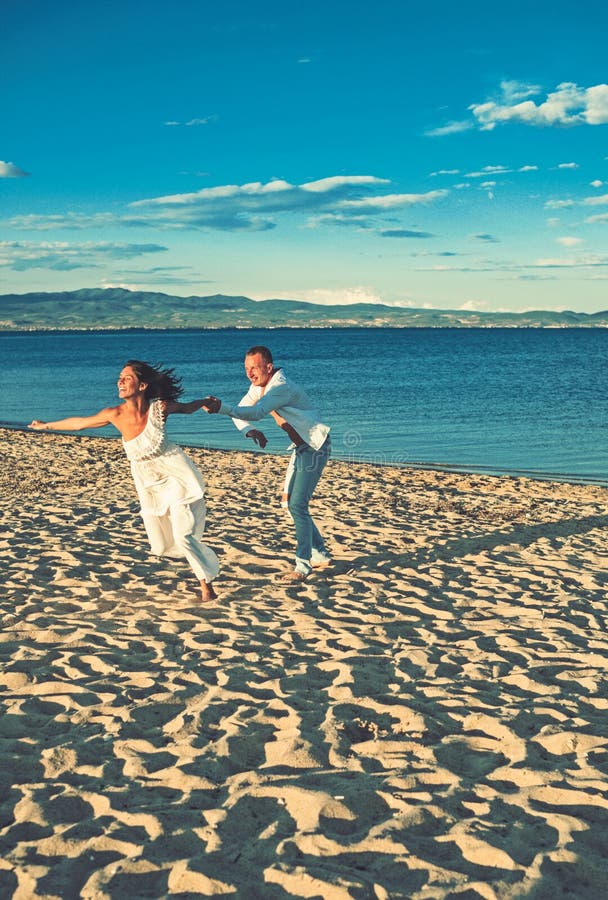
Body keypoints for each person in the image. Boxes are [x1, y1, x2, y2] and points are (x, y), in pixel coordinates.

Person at [29, 360, 220, 602]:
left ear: (142, 386)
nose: (120, 381)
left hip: (175, 476)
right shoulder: (115, 414)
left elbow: (187, 407)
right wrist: (46, 425)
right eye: (120, 377)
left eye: (127, 378)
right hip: (147, 483)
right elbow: (80, 423)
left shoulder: (159, 408)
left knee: (183, 535)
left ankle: (206, 586)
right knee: (161, 546)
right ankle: (202, 563)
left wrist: (205, 402)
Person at [202, 345, 331, 582]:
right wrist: (250, 432)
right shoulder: (257, 387)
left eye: (254, 368)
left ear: (268, 367)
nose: (250, 373)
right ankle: (320, 553)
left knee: (297, 506)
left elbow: (258, 412)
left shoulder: (281, 387)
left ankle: (303, 566)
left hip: (315, 447)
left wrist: (221, 408)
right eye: (246, 369)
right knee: (289, 505)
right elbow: (241, 412)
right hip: (300, 448)